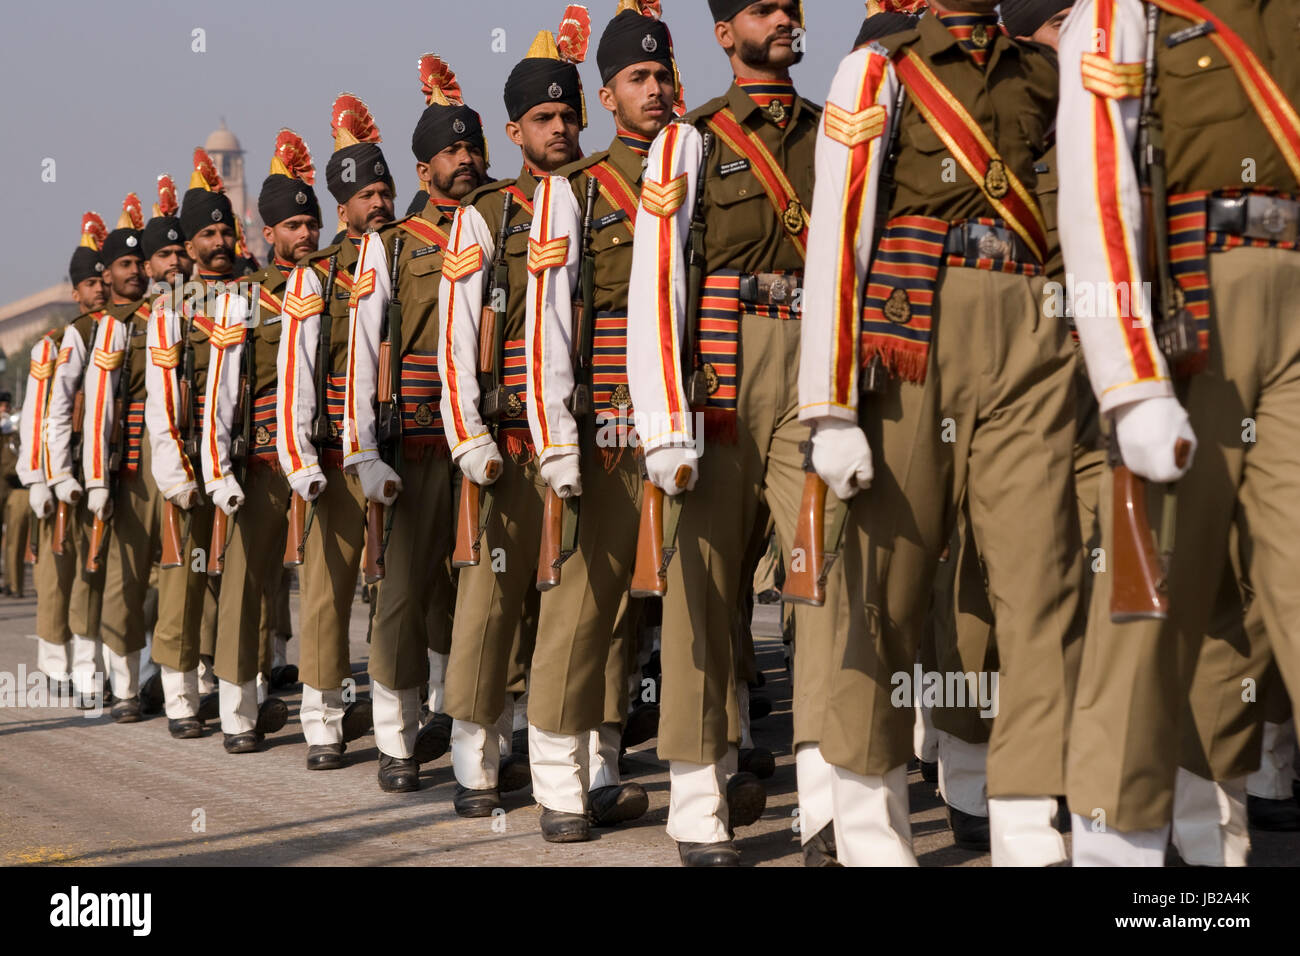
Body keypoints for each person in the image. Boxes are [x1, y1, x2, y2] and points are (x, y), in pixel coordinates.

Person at [797, 0, 1079, 865]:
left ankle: (1031, 818)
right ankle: (871, 823)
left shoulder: (1042, 74)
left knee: (1041, 586)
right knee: (886, 589)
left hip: (1032, 336)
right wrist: (831, 403)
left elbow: (1071, 215)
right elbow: (840, 231)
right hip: (910, 340)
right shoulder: (878, 67)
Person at [1057, 0, 1300, 865]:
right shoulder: (1128, 13)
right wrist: (1128, 382)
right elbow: (1097, 187)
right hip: (1191, 317)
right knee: (1149, 612)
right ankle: (1119, 856)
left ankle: (1213, 847)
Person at [625, 0, 815, 865]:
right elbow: (657, 282)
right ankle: (698, 794)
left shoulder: (833, 129)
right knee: (701, 591)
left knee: (826, 582)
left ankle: (830, 788)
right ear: (724, 31)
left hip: (814, 364)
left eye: (790, 5)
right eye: (762, 7)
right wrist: (666, 423)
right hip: (725, 371)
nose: (783, 18)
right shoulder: (687, 141)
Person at [521, 0, 689, 842]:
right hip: (610, 428)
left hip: (700, 419)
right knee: (583, 607)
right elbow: (550, 324)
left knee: (680, 607)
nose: (654, 90)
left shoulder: (699, 166)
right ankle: (557, 784)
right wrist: (557, 444)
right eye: (636, 78)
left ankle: (660, 770)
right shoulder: (574, 195)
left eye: (663, 74)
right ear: (608, 93)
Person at [437, 8, 590, 817]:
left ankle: (567, 759)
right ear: (514, 130)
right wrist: (469, 439)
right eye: (543, 118)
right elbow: (458, 344)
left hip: (590, 440)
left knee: (577, 601)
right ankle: (475, 757)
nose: (559, 128)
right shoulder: (484, 216)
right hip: (506, 441)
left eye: (569, 115)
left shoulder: (605, 197)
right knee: (492, 603)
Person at [346, 59, 489, 791]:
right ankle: (397, 740)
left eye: (472, 147)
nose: (465, 159)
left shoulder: (509, 221)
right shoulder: (393, 245)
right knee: (402, 595)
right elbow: (361, 358)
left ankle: (486, 734)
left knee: (488, 591)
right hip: (421, 439)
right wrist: (363, 452)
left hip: (496, 441)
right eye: (449, 150)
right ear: (423, 166)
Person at [278, 94, 394, 770]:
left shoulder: (410, 254)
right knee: (327, 592)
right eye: (366, 195)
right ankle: (322, 721)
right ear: (341, 206)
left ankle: (395, 715)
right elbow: (296, 373)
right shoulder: (316, 275)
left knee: (406, 587)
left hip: (402, 449)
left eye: (385, 191)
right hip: (332, 456)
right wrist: (301, 458)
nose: (378, 203)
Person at [202, 131, 321, 752]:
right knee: (246, 586)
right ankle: (238, 712)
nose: (305, 235)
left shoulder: (339, 286)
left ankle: (336, 711)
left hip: (332, 461)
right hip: (263, 462)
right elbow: (222, 393)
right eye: (292, 226)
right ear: (267, 235)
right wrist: (219, 470)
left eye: (311, 222)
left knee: (329, 587)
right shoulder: (245, 301)